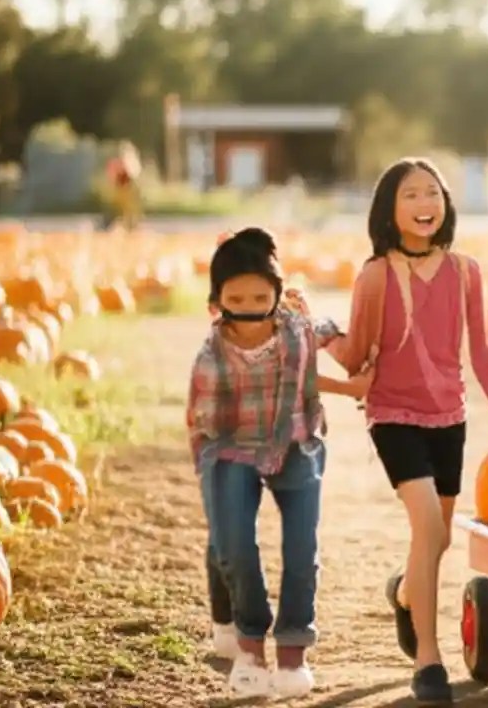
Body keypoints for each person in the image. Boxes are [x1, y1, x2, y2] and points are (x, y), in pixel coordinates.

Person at [329, 158, 488, 705]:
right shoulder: (375, 275)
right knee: (427, 522)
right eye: (410, 195)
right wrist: (319, 335)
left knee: (440, 537)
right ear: (389, 209)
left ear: (445, 204)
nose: (424, 204)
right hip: (393, 416)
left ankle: (404, 593)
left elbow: (478, 351)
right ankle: (429, 659)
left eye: (433, 193)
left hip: (449, 418)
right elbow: (354, 355)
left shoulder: (466, 272)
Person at [188, 227, 372, 699]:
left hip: (295, 443)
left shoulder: (298, 326)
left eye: (259, 295)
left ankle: (293, 650)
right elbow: (203, 424)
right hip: (231, 445)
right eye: (236, 297)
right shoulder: (212, 356)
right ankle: (250, 646)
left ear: (277, 294)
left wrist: (358, 367)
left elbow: (324, 350)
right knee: (232, 547)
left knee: (300, 551)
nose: (249, 306)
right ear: (216, 302)